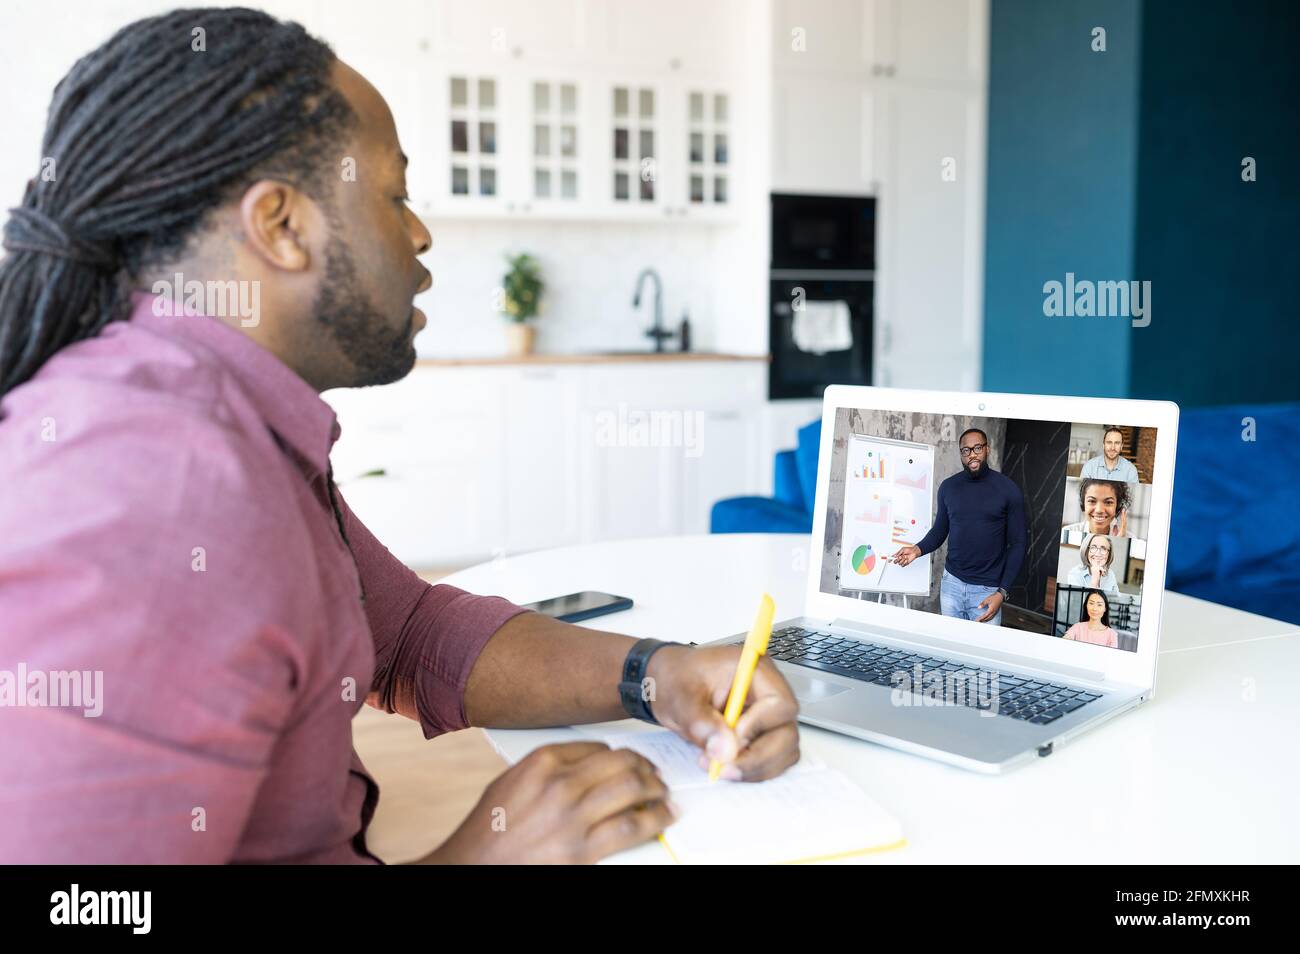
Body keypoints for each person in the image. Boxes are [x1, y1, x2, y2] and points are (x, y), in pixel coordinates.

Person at [0, 9, 799, 864]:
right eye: (393, 195)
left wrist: (660, 675)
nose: (419, 235)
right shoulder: (158, 487)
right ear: (280, 225)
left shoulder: (218, 421)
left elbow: (408, 631)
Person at [890, 427, 1026, 625]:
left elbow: (1018, 544)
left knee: (982, 652)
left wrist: (1002, 592)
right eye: (966, 450)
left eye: (977, 448)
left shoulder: (1008, 490)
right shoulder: (948, 488)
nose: (972, 454)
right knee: (951, 651)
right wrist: (917, 549)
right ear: (961, 454)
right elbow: (939, 531)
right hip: (951, 585)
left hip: (987, 590)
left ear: (987, 449)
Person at [1079, 427, 1139, 535]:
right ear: (1103, 445)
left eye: (1117, 443)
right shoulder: (1089, 466)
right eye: (1109, 443)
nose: (1099, 510)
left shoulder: (1131, 470)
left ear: (1121, 447)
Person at [1063, 477, 1131, 538]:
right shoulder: (1066, 532)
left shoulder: (1128, 537)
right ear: (1083, 504)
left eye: (1108, 502)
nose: (1099, 510)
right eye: (1092, 501)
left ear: (1117, 506)